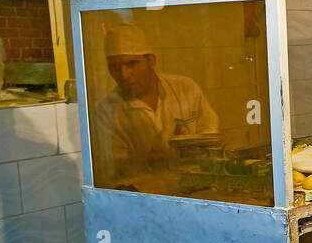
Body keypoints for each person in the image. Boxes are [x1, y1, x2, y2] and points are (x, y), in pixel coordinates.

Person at [90, 22, 219, 183]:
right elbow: (113, 169)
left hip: (196, 187)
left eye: (131, 64)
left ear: (151, 61)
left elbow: (211, 135)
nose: (123, 75)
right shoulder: (105, 113)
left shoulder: (185, 88)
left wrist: (185, 153)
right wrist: (146, 162)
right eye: (114, 67)